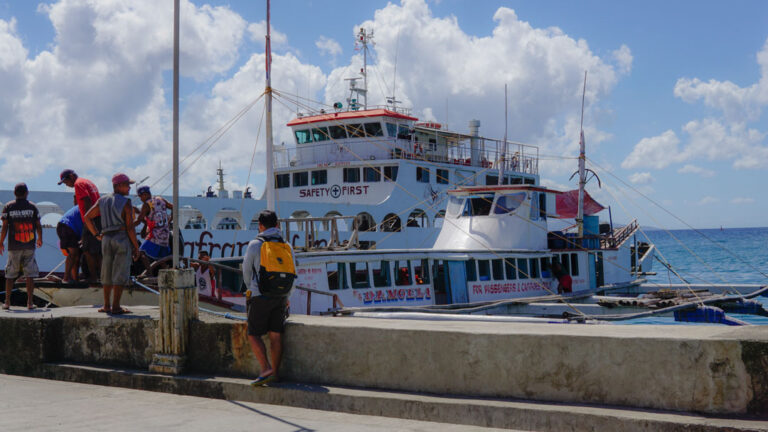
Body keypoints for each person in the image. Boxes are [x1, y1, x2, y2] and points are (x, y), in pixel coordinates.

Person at [243, 210, 296, 386]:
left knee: (253, 334)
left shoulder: (255, 244)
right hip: (281, 296)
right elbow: (293, 273)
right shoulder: (286, 246)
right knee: (276, 335)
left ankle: (265, 368)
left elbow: (246, 271)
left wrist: (251, 289)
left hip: (260, 295)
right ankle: (276, 373)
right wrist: (287, 295)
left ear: (260, 226)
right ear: (277, 225)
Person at [83, 173, 140, 315]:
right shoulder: (126, 202)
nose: (129, 188)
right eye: (127, 185)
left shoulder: (102, 200)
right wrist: (136, 247)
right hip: (121, 237)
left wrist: (96, 234)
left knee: (106, 272)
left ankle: (106, 305)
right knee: (120, 272)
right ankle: (116, 306)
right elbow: (130, 227)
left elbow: (87, 217)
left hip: (106, 238)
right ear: (118, 186)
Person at [1, 183, 42, 310]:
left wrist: (1, 242)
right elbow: (38, 224)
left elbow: (5, 227)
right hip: (29, 245)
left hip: (14, 246)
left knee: (10, 274)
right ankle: (30, 303)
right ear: (27, 193)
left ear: (14, 193)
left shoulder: (8, 206)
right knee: (30, 275)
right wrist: (40, 238)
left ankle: (7, 302)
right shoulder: (33, 207)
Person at [59, 169, 101, 283]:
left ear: (71, 176)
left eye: (66, 182)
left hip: (89, 219)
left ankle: (93, 278)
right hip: (96, 218)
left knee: (86, 251)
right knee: (95, 251)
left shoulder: (78, 184)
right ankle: (99, 276)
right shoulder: (88, 182)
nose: (67, 185)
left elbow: (86, 200)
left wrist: (88, 219)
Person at [133, 186, 173, 271]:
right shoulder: (160, 199)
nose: (141, 199)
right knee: (161, 257)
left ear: (145, 194)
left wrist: (128, 226)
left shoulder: (146, 205)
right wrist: (169, 221)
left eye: (140, 197)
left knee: (142, 252)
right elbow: (173, 207)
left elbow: (139, 220)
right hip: (165, 236)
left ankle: (149, 272)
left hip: (156, 236)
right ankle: (166, 269)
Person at [57, 199, 83, 283]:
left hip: (65, 227)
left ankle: (75, 279)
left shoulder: (80, 207)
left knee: (76, 255)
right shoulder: (85, 207)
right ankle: (66, 278)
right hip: (68, 227)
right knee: (73, 253)